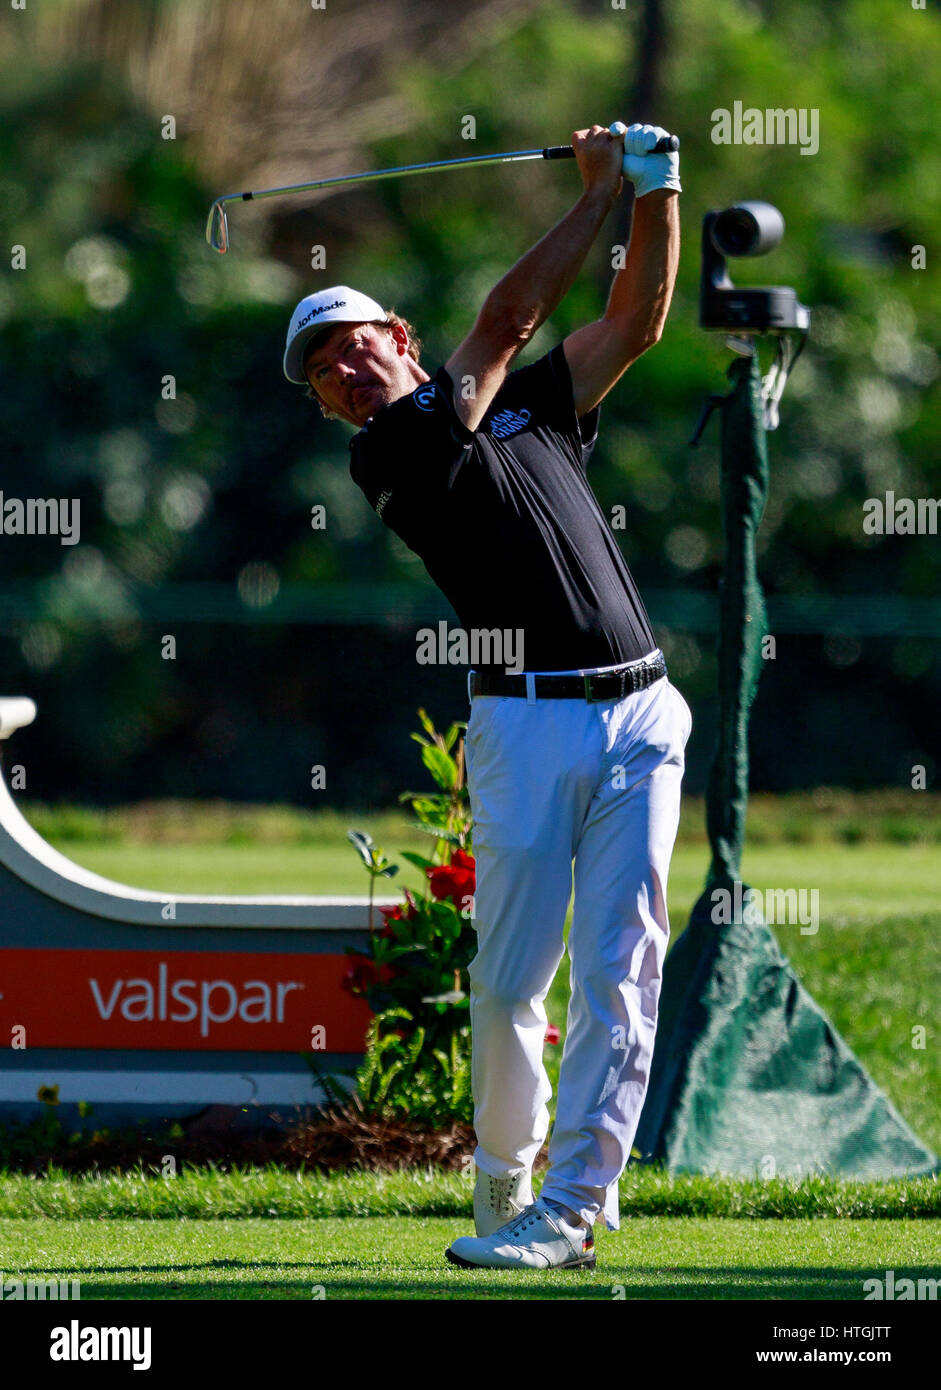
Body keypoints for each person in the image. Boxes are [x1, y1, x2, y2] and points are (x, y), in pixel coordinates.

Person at [282, 123, 690, 1271]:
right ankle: (506, 1177)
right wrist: (597, 193)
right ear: (331, 408)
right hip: (523, 722)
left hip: (641, 713)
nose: (346, 371)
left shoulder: (529, 407)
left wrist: (656, 189)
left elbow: (637, 322)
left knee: (622, 966)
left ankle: (569, 1208)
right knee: (510, 978)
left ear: (395, 336)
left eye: (355, 344)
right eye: (327, 372)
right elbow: (507, 323)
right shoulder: (395, 453)